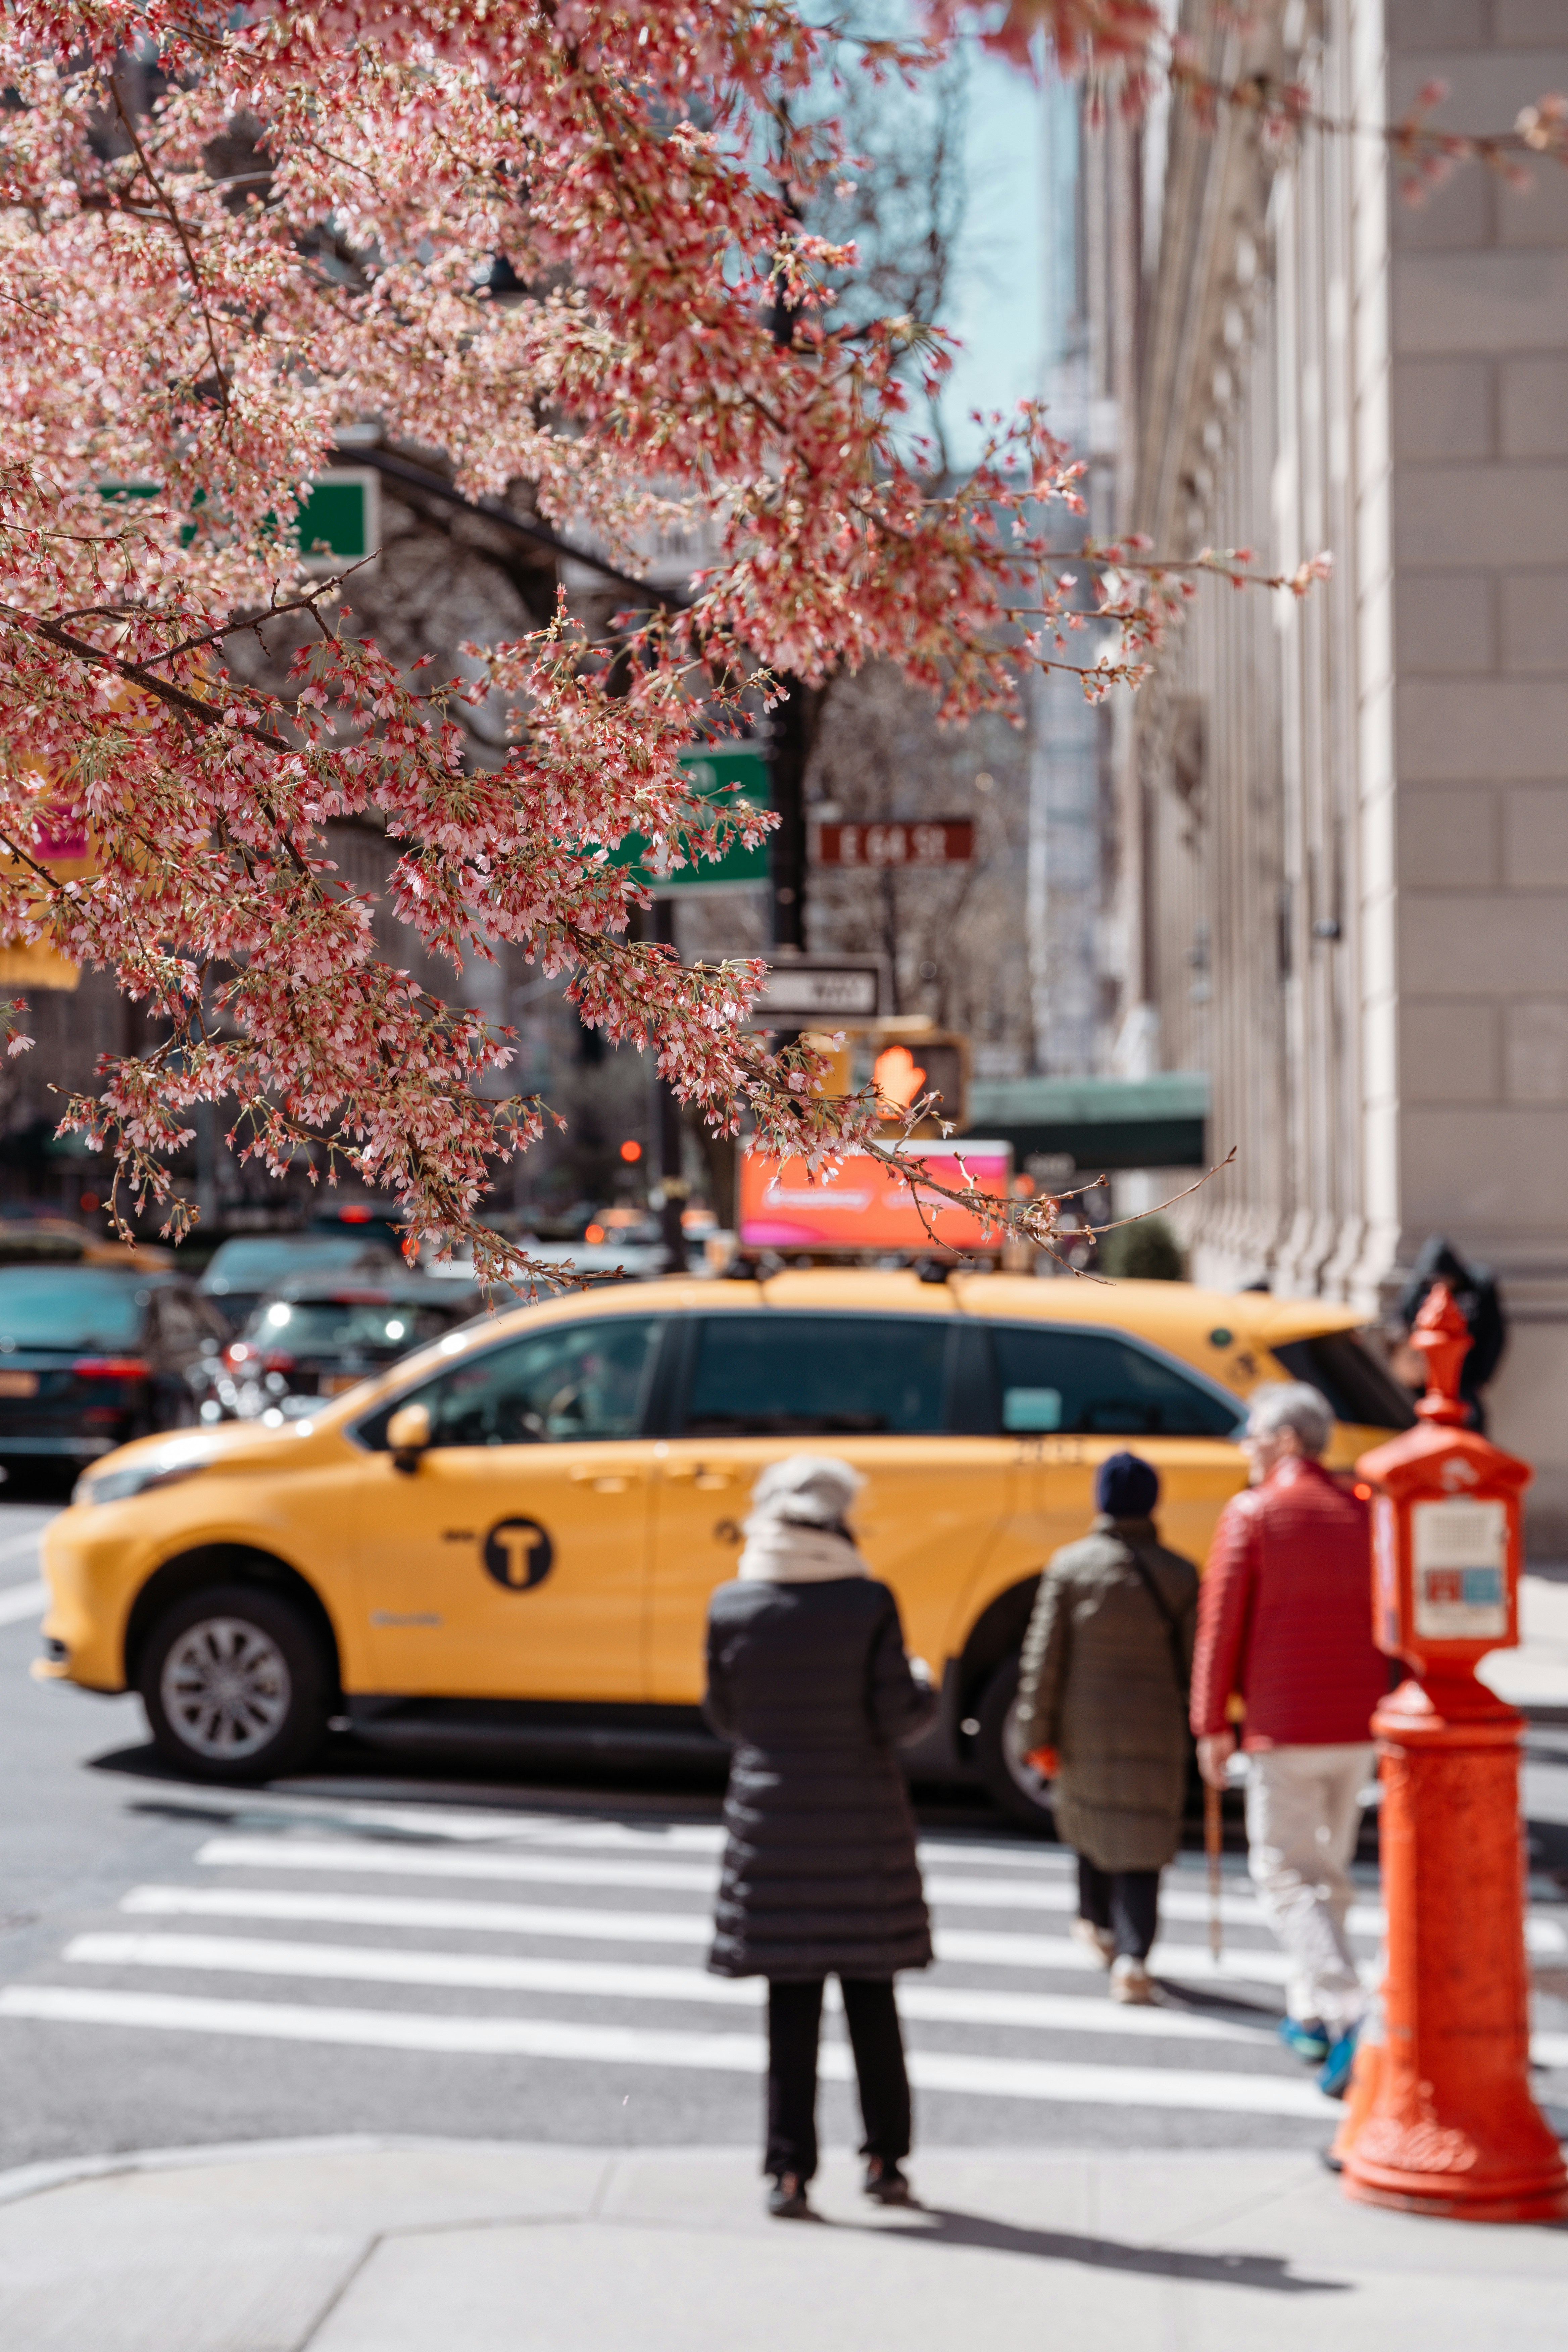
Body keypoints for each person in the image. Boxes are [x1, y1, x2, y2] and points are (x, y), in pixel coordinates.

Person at [704, 1454, 939, 2220]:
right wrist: (923, 1681)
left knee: (789, 2004)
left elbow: (724, 1716)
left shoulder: (732, 1604)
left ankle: (787, 2172)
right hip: (861, 1828)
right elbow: (896, 1717)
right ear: (838, 1521)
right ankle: (884, 2160)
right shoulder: (867, 1603)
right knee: (873, 2000)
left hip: (770, 1830)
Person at [1190, 1381, 1388, 2096]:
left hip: (1285, 1726)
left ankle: (1347, 2008)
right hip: (1359, 1721)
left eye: (1251, 1435)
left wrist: (1209, 1723)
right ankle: (1309, 2010)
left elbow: (1219, 1626)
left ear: (1283, 1441)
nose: (1245, 1448)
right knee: (1325, 1871)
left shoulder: (1253, 1513)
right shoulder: (1363, 1512)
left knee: (1284, 1875)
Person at [1014, 1451, 1199, 2004]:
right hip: (1156, 1727)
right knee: (1143, 1837)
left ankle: (1096, 1927)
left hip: (1083, 1725)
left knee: (1090, 1823)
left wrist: (1033, 1733)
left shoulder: (1070, 1567)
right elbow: (1196, 1665)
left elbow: (1043, 1660)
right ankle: (1136, 1959)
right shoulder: (1180, 1572)